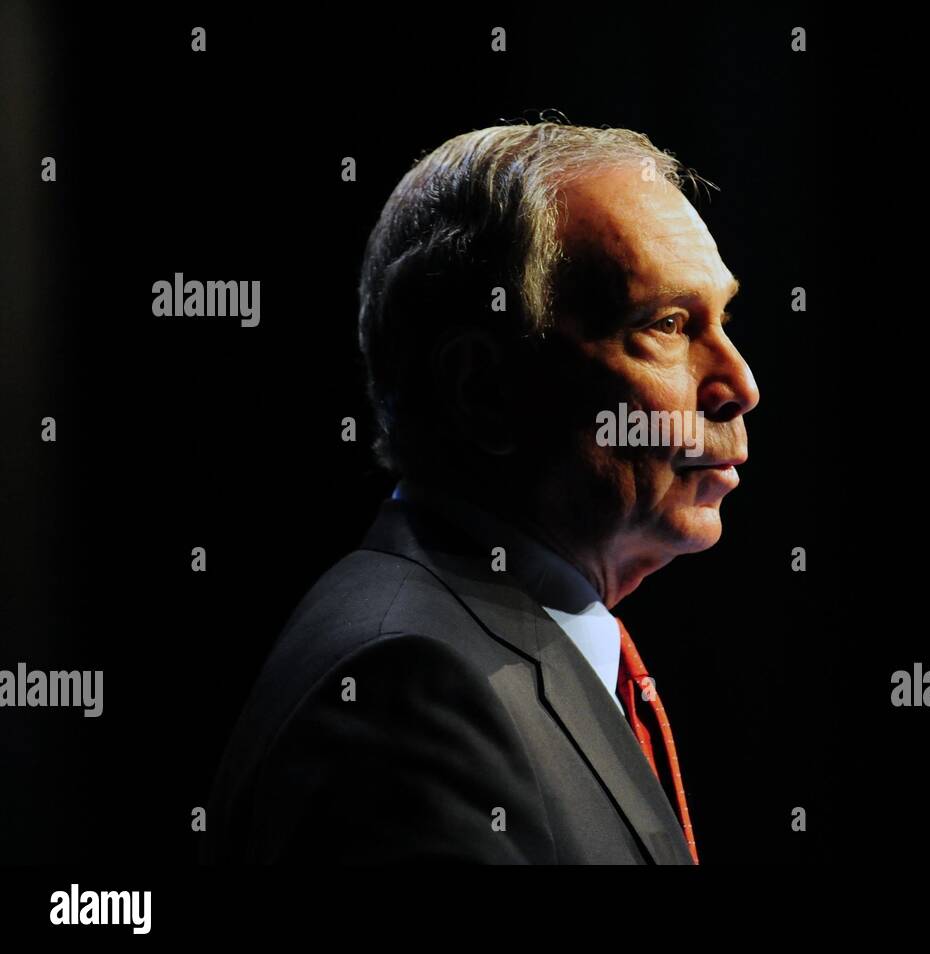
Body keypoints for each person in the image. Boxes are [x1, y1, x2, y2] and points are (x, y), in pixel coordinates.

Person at [202, 122, 760, 864]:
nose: (739, 386)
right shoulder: (408, 689)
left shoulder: (506, 634)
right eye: (666, 325)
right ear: (484, 390)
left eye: (724, 319)